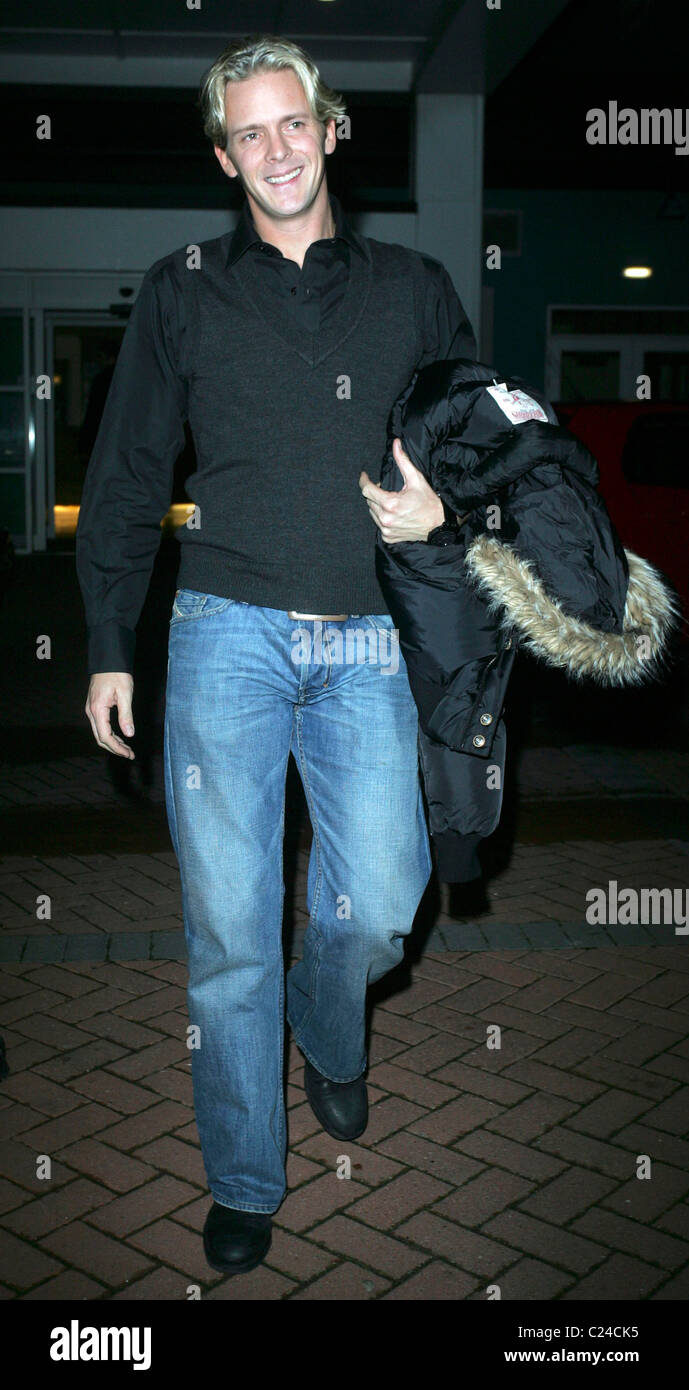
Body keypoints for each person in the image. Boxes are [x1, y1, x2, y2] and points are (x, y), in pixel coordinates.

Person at [76, 34, 476, 1277]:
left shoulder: (413, 285)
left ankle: (330, 1020)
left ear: (330, 128)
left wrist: (445, 509)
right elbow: (131, 472)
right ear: (223, 154)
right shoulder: (182, 287)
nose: (275, 147)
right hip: (223, 637)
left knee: (378, 905)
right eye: (247, 132)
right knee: (231, 933)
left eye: (291, 122)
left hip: (369, 642)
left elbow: (476, 444)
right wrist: (106, 644)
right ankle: (246, 1174)